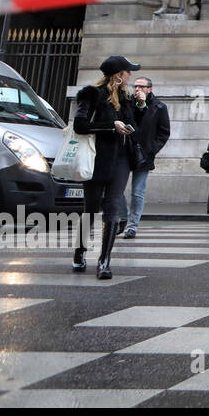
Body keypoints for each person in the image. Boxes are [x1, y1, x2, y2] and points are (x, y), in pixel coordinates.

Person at [73, 56, 140, 280]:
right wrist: (110, 126)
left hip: (121, 160)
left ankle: (104, 261)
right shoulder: (91, 94)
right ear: (119, 74)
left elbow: (136, 127)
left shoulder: (126, 97)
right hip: (96, 159)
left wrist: (140, 106)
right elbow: (80, 125)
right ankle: (80, 252)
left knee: (112, 206)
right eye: (128, 71)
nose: (131, 75)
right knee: (90, 209)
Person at [117, 75, 170, 238]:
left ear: (149, 89)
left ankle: (133, 226)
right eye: (136, 86)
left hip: (144, 156)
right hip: (125, 152)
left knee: (137, 192)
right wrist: (138, 105)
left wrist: (151, 150)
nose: (138, 89)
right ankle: (123, 217)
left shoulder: (159, 107)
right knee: (116, 189)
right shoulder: (127, 104)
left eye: (141, 87)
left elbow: (164, 132)